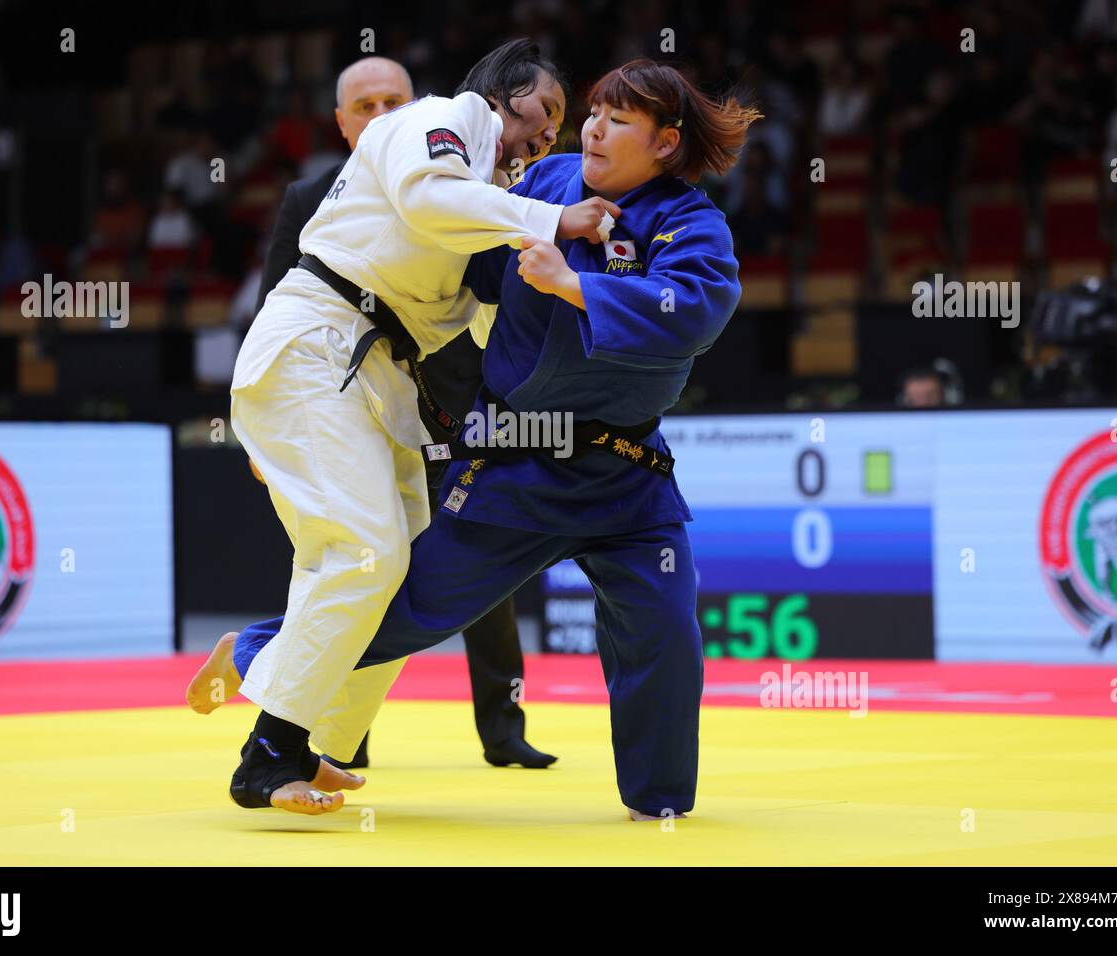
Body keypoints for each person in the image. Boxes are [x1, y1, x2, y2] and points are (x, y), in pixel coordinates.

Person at [230, 58, 759, 820]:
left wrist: (574, 283)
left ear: (667, 143)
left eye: (618, 119)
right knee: (407, 603)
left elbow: (697, 310)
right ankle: (262, 657)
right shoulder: (547, 186)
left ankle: (660, 801)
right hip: (518, 463)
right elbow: (451, 250)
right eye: (592, 113)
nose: (590, 128)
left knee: (667, 631)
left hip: (627, 473)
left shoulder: (689, 223)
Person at [188, 55, 555, 771]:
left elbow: (483, 322)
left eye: (558, 129)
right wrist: (556, 217)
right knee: (365, 554)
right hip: (317, 353)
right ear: (498, 95)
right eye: (542, 110)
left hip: (389, 385)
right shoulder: (442, 122)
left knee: (410, 572)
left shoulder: (482, 193)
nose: (548, 133)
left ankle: (319, 737)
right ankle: (274, 750)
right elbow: (426, 203)